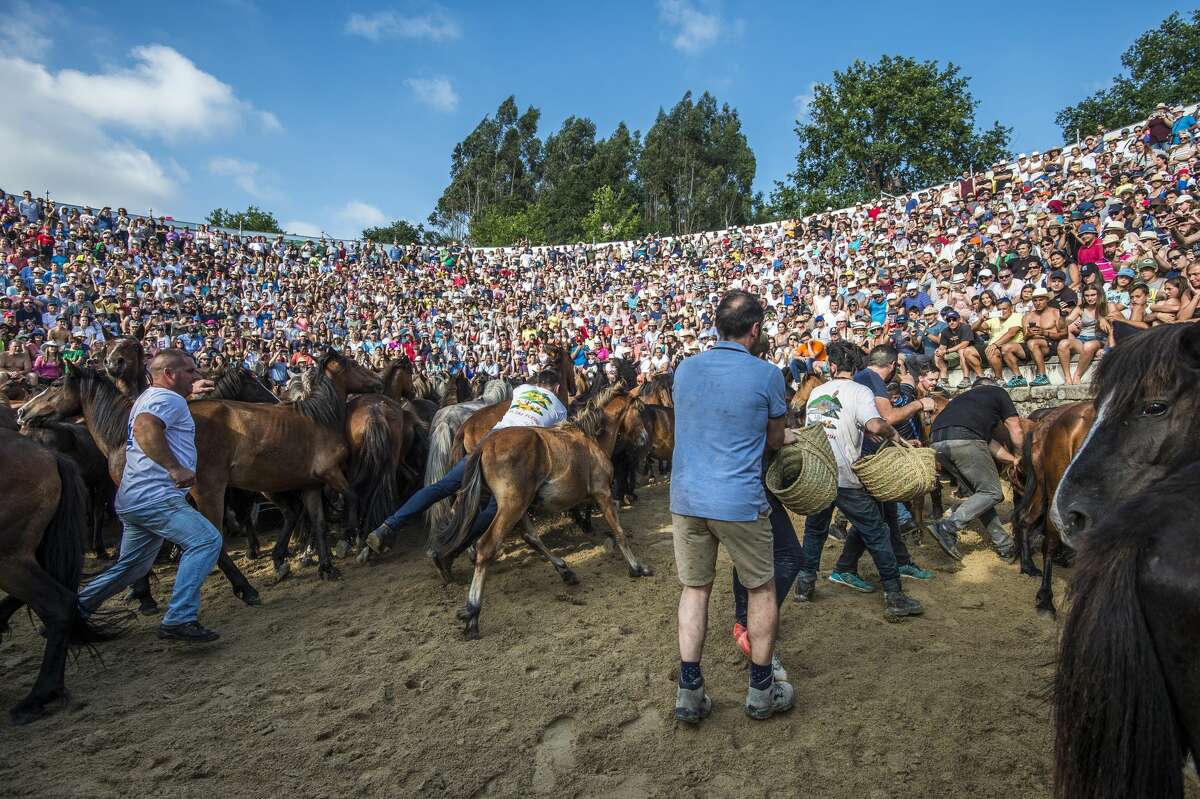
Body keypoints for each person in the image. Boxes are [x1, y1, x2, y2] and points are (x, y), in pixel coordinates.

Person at [670, 290, 794, 724]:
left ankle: (689, 691)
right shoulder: (767, 374)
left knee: (695, 589)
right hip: (738, 501)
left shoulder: (685, 369)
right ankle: (761, 691)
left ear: (717, 326)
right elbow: (776, 439)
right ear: (755, 329)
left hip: (686, 499)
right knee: (761, 588)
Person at [76, 349, 224, 642]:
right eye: (191, 371)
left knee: (131, 566)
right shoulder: (167, 400)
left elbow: (153, 414)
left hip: (134, 498)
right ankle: (180, 617)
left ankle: (73, 607)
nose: (197, 375)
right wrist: (174, 468)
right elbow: (146, 427)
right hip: (156, 496)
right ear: (169, 374)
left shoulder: (152, 396)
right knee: (207, 541)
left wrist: (189, 390)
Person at [365, 368, 568, 561]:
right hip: (512, 456)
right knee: (493, 509)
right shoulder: (559, 410)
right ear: (557, 389)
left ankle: (387, 526)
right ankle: (445, 547)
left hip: (487, 442)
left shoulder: (521, 390)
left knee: (442, 487)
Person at [793, 341, 924, 620]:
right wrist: (894, 436)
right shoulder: (860, 391)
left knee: (815, 530)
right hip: (845, 476)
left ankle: (804, 586)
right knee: (877, 532)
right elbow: (875, 425)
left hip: (819, 473)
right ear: (858, 366)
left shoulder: (817, 392)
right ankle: (894, 596)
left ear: (833, 366)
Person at [926, 378, 1024, 562]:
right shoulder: (998, 392)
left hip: (937, 442)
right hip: (965, 441)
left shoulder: (963, 402)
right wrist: (1020, 453)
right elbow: (1016, 429)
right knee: (992, 493)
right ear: (991, 386)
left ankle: (1005, 546)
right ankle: (948, 526)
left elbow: (989, 444)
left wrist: (1013, 460)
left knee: (981, 497)